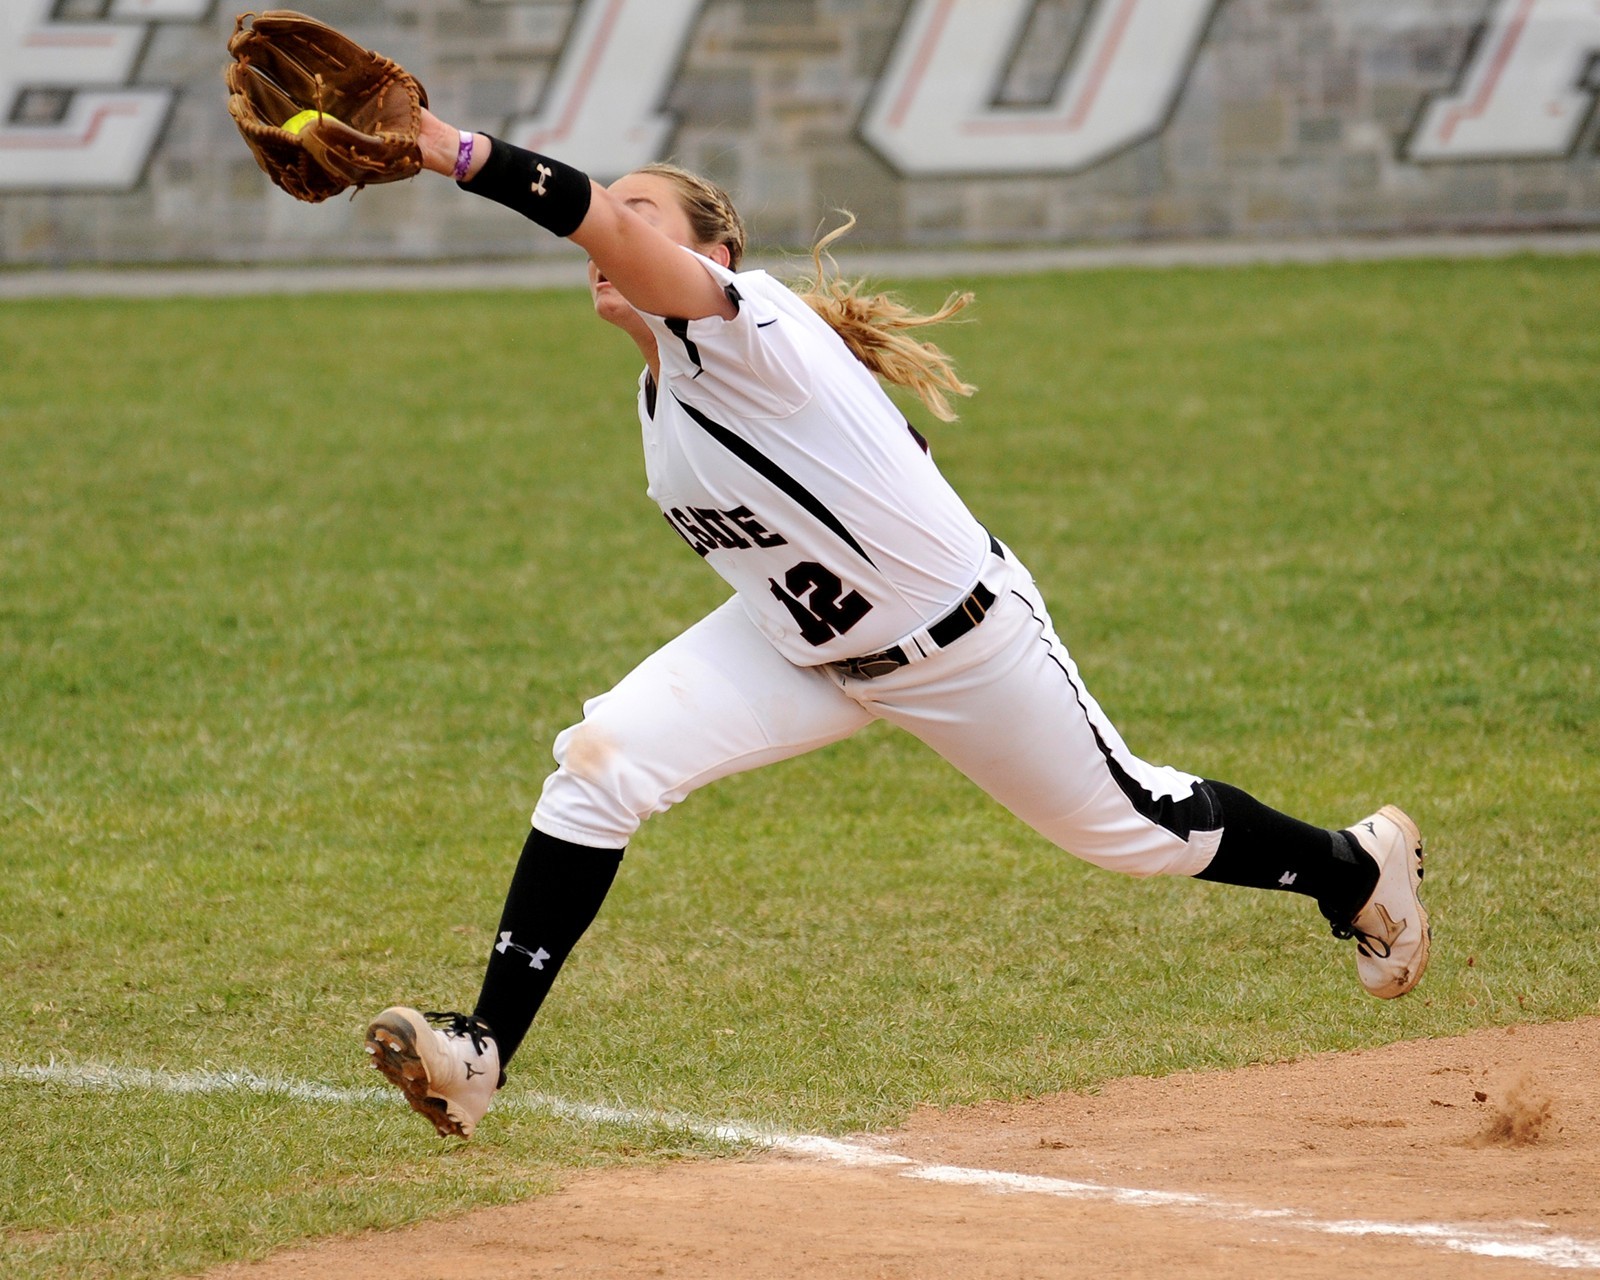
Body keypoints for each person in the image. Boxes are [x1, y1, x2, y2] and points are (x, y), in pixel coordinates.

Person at [363, 108, 1430, 1140]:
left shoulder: (749, 325)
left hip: (959, 643)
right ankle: (481, 1046)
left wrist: (452, 151)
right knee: (598, 761)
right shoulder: (659, 395)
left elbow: (587, 213)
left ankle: (1354, 868)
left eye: (642, 218)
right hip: (801, 644)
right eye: (617, 215)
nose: (613, 235)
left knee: (1133, 828)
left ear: (716, 252)